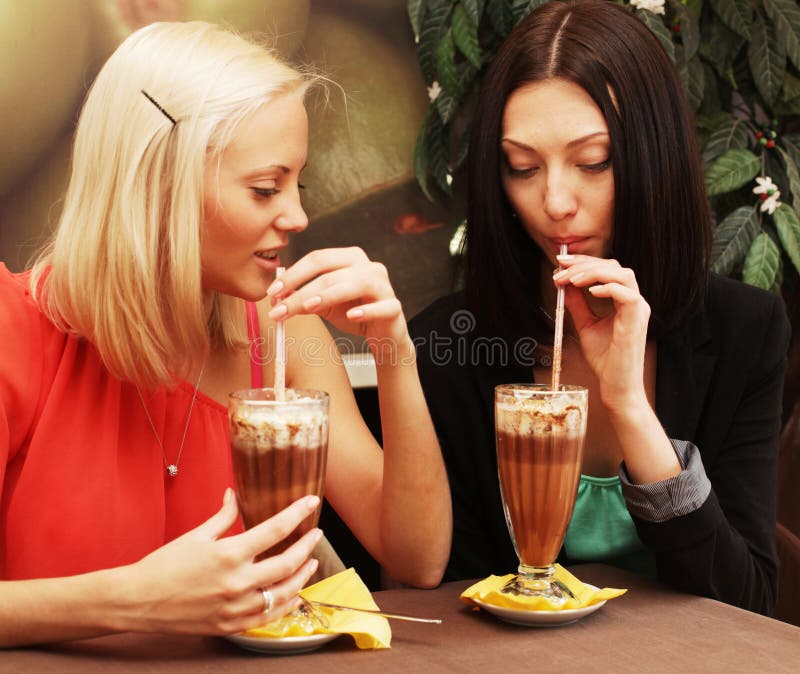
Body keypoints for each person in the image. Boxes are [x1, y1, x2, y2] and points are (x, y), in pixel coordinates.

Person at [0, 21, 451, 647]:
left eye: (298, 185)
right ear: (161, 184)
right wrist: (134, 601)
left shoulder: (284, 333)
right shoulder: (15, 329)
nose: (297, 216)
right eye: (266, 189)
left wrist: (393, 350)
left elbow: (417, 558)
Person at [409, 0, 789, 615]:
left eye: (593, 162)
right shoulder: (449, 345)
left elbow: (746, 602)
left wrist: (631, 408)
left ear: (654, 156)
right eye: (522, 167)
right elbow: (449, 597)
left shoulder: (743, 330)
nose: (555, 202)